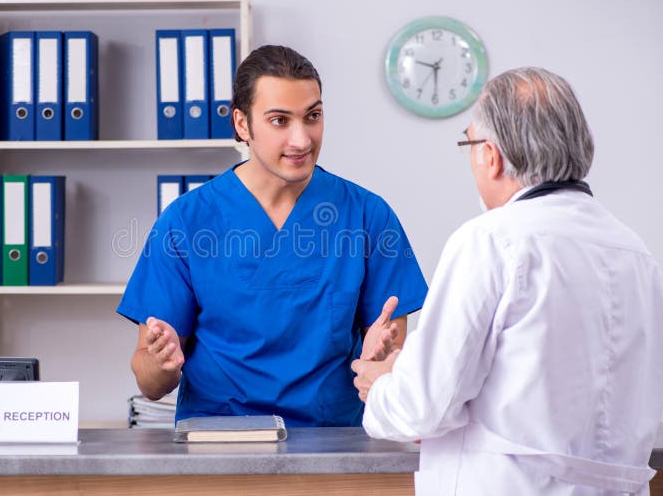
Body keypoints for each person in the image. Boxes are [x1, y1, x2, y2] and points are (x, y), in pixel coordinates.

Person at [352, 67, 663, 494]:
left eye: (469, 143)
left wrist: (381, 382)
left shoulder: (492, 240)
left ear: (491, 155)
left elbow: (422, 408)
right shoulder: (635, 251)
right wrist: (408, 367)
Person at [117, 45, 428, 427]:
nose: (302, 139)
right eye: (280, 121)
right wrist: (160, 363)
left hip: (335, 447)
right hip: (220, 444)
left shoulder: (367, 215)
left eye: (312, 116)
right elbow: (150, 384)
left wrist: (383, 364)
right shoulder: (186, 222)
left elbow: (388, 364)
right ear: (243, 125)